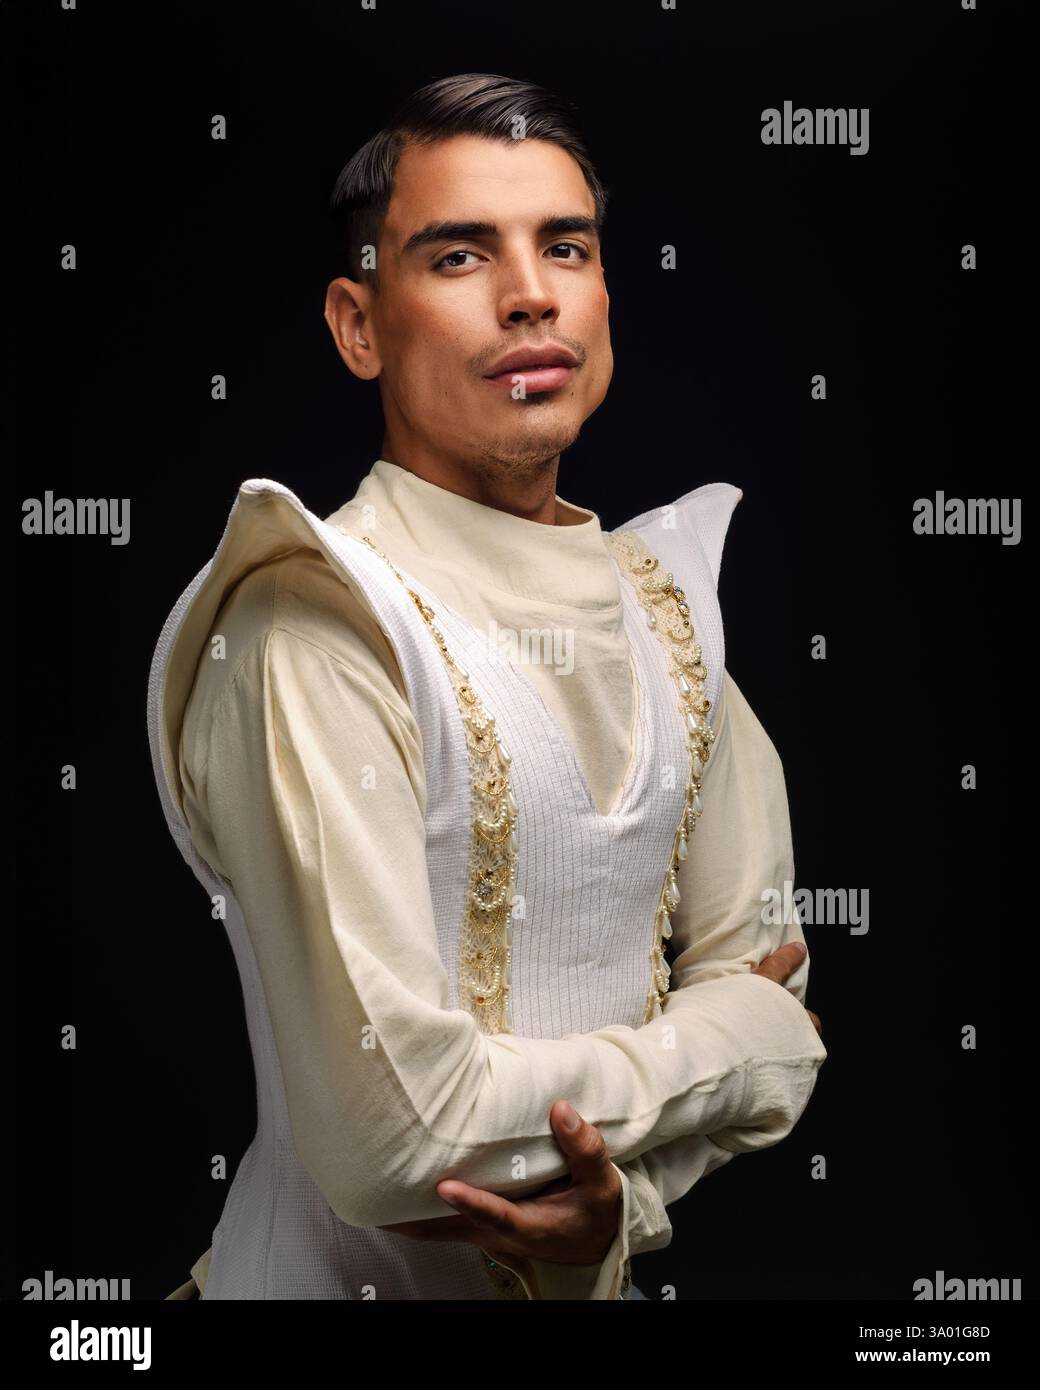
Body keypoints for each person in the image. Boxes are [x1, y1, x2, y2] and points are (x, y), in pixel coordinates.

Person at [149, 72, 826, 1302]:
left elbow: (781, 1004)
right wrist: (722, 1050)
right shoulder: (313, 619)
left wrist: (614, 1208)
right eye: (458, 256)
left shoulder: (668, 605)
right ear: (359, 326)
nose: (529, 294)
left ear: (605, 295)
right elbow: (394, 1135)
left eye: (563, 246)